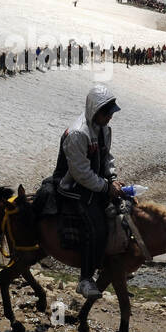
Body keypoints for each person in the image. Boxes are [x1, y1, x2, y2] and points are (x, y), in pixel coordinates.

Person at [55, 84, 120, 300]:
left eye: (110, 113)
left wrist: (112, 178)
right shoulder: (77, 133)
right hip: (70, 184)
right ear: (95, 110)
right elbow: (80, 172)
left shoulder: (103, 129)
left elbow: (107, 157)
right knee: (96, 221)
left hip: (93, 181)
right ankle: (85, 278)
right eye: (106, 113)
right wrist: (105, 187)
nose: (110, 117)